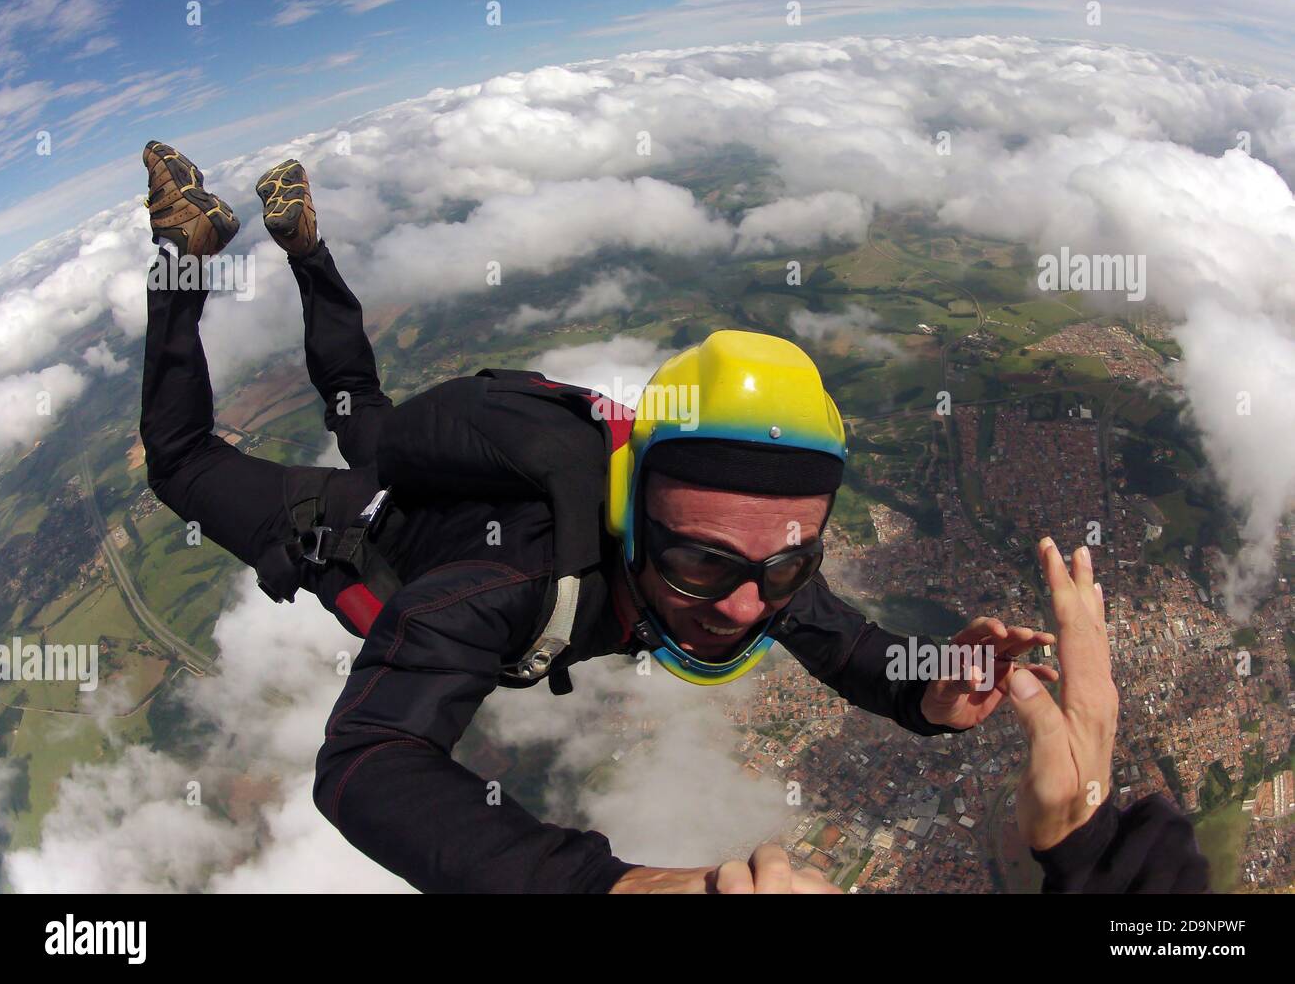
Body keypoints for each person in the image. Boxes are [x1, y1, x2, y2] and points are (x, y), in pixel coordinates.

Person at [138, 141, 1208, 894]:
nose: (742, 607)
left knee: (364, 414)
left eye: (782, 569)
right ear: (635, 518)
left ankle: (305, 246)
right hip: (371, 529)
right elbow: (369, 763)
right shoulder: (510, 580)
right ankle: (188, 255)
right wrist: (613, 888)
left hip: (460, 474)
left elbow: (846, 646)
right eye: (700, 565)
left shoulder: (746, 562)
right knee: (195, 465)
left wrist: (934, 687)